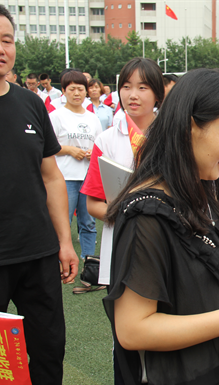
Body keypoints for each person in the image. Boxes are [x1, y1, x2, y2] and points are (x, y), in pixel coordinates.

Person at [101, 68, 219, 385]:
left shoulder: (197, 194)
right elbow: (133, 328)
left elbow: (190, 287)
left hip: (215, 377)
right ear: (190, 128)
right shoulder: (147, 214)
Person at [0, 1, 78, 385]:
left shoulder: (30, 103)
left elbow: (51, 176)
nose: (0, 47)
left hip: (39, 254)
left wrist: (64, 241)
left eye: (7, 40)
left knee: (49, 352)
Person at [82, 57, 165, 286]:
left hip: (165, 240)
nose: (132, 95)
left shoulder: (173, 138)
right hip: (122, 241)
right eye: (126, 87)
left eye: (142, 87)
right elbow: (93, 204)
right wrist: (132, 215)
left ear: (157, 93)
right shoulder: (106, 140)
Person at [49, 71, 102, 262]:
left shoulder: (92, 118)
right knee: (62, 222)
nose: (77, 93)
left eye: (81, 89)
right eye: (72, 89)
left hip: (88, 178)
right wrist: (70, 150)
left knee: (88, 222)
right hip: (64, 177)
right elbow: (47, 146)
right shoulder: (56, 117)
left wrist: (91, 154)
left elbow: (99, 146)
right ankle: (57, 260)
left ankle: (89, 262)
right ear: (63, 91)